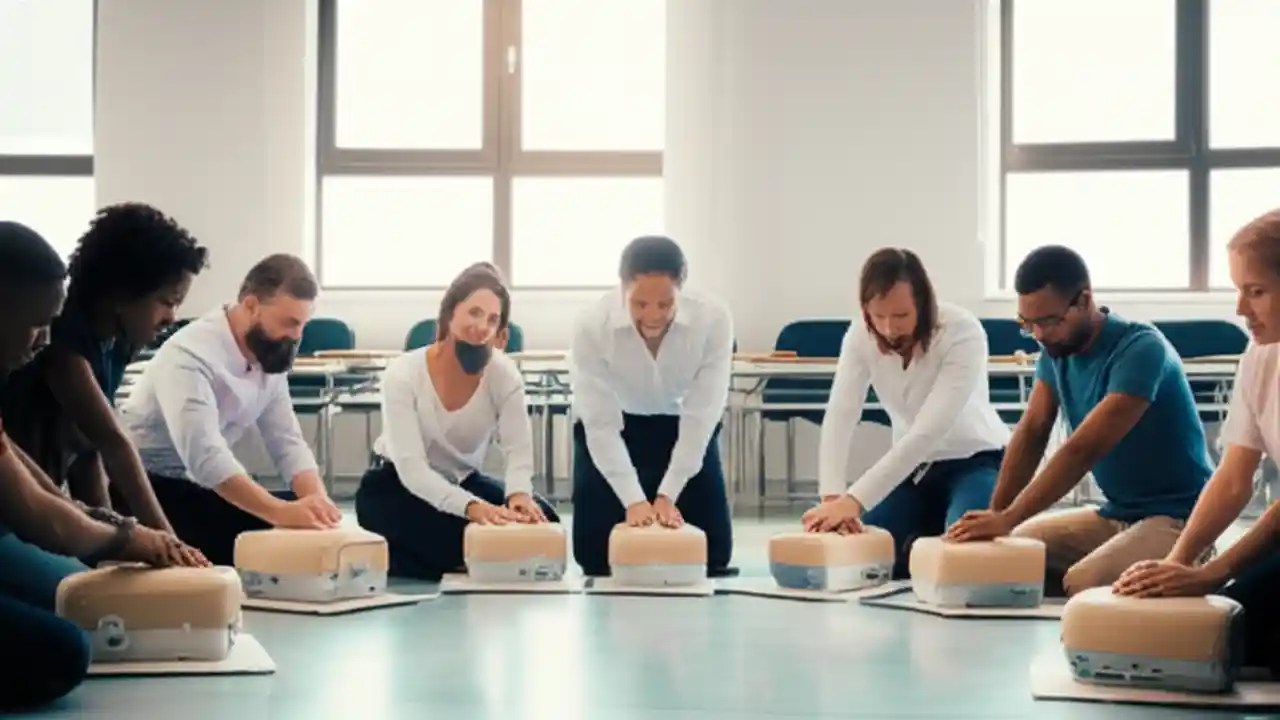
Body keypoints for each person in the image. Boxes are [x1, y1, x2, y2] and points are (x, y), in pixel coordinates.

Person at [0, 221, 207, 711]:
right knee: (65, 646)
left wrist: (111, 524)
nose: (44, 340)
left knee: (81, 597)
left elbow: (38, 470)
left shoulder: (109, 345)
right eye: (34, 322)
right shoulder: (68, 351)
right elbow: (40, 511)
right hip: (15, 526)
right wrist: (138, 538)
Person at [946, 245, 1212, 596]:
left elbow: (1082, 449)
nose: (1039, 335)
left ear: (1084, 300)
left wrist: (1009, 518)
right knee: (1007, 554)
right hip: (1115, 514)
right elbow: (1032, 430)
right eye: (1028, 324)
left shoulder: (1140, 349)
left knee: (1083, 582)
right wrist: (997, 517)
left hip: (1180, 518)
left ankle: (1191, 561)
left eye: (1048, 321)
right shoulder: (1056, 351)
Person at [1114, 208, 1280, 674]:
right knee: (1225, 629)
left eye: (1257, 292)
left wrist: (1212, 571)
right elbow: (1232, 478)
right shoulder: (1260, 356)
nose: (1241, 310)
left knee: (1245, 639)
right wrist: (1175, 565)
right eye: (1238, 291)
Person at [117, 254, 343, 565]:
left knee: (301, 518)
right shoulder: (189, 355)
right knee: (272, 529)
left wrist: (315, 499)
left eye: (303, 324)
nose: (296, 336)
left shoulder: (270, 349)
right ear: (251, 306)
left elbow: (287, 441)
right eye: (290, 322)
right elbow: (205, 457)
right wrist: (280, 512)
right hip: (145, 490)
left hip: (196, 486)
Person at [801, 249, 1009, 578]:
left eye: (900, 316)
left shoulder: (962, 331)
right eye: (878, 316)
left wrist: (855, 500)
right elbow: (842, 412)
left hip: (976, 461)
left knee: (965, 558)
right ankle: (921, 538)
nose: (888, 328)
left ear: (924, 304)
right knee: (863, 556)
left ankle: (930, 536)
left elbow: (927, 432)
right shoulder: (860, 333)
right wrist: (833, 497)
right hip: (913, 472)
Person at [3, 203, 208, 535]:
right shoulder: (64, 340)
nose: (171, 317)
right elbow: (113, 441)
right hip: (21, 509)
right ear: (122, 294)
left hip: (45, 502)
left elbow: (87, 450)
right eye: (167, 301)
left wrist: (111, 531)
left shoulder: (115, 342)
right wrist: (166, 539)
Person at [356, 263, 559, 580]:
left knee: (545, 519)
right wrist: (476, 510)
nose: (482, 327)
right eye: (474, 313)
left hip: (461, 482)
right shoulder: (403, 373)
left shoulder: (504, 374)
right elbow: (413, 471)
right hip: (395, 485)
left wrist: (519, 495)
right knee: (462, 537)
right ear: (450, 314)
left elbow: (518, 449)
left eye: (492, 320)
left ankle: (438, 557)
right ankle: (424, 555)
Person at [569, 235, 735, 577]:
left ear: (682, 289)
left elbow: (701, 417)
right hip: (618, 426)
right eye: (640, 304)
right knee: (595, 557)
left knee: (714, 555)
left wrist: (667, 495)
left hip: (679, 427)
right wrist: (634, 500)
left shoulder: (713, 319)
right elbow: (599, 424)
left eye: (664, 304)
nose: (653, 316)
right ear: (623, 288)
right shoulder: (591, 324)